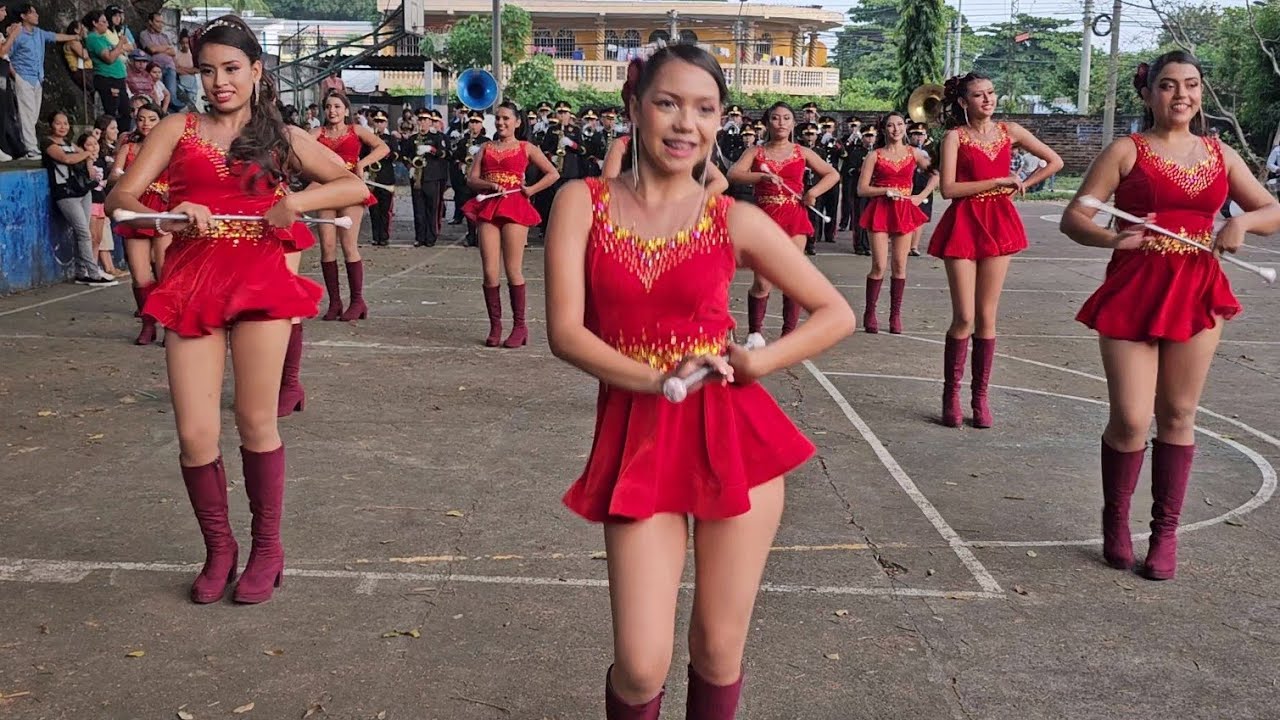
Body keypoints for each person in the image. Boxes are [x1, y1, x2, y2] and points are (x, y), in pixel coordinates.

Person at [544, 44, 855, 720]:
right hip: (638, 438)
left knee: (718, 647)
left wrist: (755, 363)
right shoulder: (582, 202)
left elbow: (836, 313)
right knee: (640, 661)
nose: (686, 123)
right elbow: (566, 333)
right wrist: (657, 382)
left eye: (705, 109)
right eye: (668, 102)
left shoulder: (733, 218)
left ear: (719, 124)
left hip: (732, 435)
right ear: (633, 107)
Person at [106, 15, 366, 606]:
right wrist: (178, 209)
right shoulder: (176, 127)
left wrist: (294, 201)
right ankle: (218, 548)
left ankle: (267, 548)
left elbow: (353, 187)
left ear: (256, 70)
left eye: (231, 69)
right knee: (195, 432)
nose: (220, 81)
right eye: (208, 71)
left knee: (255, 420)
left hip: (260, 282)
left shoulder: (281, 137)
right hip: (193, 281)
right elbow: (122, 196)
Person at [1060, 51, 1280, 580]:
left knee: (1179, 414)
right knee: (1132, 419)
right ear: (1148, 93)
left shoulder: (1219, 153)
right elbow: (1075, 216)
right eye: (1167, 85)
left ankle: (1165, 534)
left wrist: (1241, 223)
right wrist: (1115, 237)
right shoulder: (1125, 150)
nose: (1181, 95)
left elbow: (1273, 210)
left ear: (1201, 93)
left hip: (1197, 290)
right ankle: (1116, 521)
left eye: (1191, 85)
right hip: (1134, 287)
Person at [928, 72, 1063, 428]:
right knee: (964, 317)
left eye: (991, 93)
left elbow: (1055, 161)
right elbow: (948, 189)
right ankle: (951, 395)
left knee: (987, 316)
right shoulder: (954, 137)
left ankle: (980, 399)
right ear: (963, 101)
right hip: (963, 222)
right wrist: (999, 181)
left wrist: (1021, 186)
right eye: (978, 95)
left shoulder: (1010, 131)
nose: (987, 100)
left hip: (998, 221)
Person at [727, 101, 839, 341]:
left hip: (794, 216)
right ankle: (755, 334)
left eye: (786, 118)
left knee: (792, 278)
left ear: (793, 123)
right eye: (776, 118)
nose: (781, 123)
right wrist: (761, 177)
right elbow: (733, 174)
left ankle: (788, 334)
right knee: (762, 282)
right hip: (764, 219)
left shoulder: (802, 152)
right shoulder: (755, 151)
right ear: (768, 122)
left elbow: (832, 174)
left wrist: (812, 193)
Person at [462, 100, 559, 347]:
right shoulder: (485, 147)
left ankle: (520, 326)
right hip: (489, 206)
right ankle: (495, 326)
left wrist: (530, 190)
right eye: (498, 118)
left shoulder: (526, 147)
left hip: (515, 205)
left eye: (506, 118)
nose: (501, 122)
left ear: (517, 122)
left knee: (513, 268)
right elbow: (471, 178)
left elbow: (553, 173)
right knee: (489, 271)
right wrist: (488, 185)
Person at [312, 90, 390, 321]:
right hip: (325, 189)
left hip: (350, 188)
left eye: (337, 106)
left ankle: (357, 301)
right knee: (326, 246)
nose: (332, 111)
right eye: (328, 107)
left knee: (348, 244)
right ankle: (335, 302)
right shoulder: (317, 132)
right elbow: (297, 146)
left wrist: (362, 164)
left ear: (346, 110)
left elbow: (383, 148)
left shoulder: (356, 130)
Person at [857, 111, 932, 335]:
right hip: (880, 209)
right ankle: (870, 312)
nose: (896, 129)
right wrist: (884, 190)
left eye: (900, 124)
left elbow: (936, 173)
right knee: (879, 265)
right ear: (884, 129)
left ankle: (895, 315)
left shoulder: (914, 153)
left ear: (905, 128)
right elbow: (861, 189)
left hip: (904, 210)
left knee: (900, 265)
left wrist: (921, 195)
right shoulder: (875, 155)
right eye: (891, 125)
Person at [111, 101, 171, 345]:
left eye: (152, 119)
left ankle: (169, 324)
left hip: (164, 213)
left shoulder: (171, 148)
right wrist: (128, 179)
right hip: (135, 211)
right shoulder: (130, 148)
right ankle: (148, 323)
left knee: (165, 273)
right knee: (139, 276)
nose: (146, 124)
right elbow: (114, 173)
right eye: (141, 119)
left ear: (161, 121)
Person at [44, 110, 118, 286]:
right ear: (51, 125)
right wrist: (86, 154)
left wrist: (88, 156)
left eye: (66, 123)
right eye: (58, 123)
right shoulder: (48, 143)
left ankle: (81, 271)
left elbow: (86, 154)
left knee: (82, 232)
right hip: (65, 193)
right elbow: (66, 159)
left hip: (82, 191)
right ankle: (93, 272)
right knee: (84, 232)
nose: (63, 127)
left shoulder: (69, 142)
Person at [6, 4, 78, 159]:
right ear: (23, 16)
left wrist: (75, 37)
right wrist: (16, 76)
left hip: (38, 78)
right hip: (23, 77)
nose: (36, 15)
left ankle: (24, 147)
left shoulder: (39, 33)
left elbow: (55, 37)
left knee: (32, 115)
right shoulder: (17, 34)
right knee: (26, 115)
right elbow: (7, 55)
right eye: (32, 13)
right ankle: (30, 149)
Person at [83, 9, 133, 132]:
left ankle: (121, 137)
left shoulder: (103, 38)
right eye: (104, 22)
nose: (107, 24)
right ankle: (108, 139)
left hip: (118, 78)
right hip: (108, 78)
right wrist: (121, 42)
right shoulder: (94, 38)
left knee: (125, 111)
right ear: (95, 23)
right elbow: (109, 58)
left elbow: (117, 51)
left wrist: (120, 46)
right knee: (111, 113)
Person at [906, 121, 938, 257]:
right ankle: (906, 245)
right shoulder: (906, 149)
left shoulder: (932, 150)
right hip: (909, 185)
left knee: (921, 217)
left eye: (922, 134)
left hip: (924, 186)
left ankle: (914, 246)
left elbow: (936, 170)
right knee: (907, 217)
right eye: (916, 134)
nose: (919, 137)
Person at [138, 12, 181, 111]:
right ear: (150, 22)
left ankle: (168, 113)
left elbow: (173, 52)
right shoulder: (144, 34)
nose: (160, 24)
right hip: (155, 68)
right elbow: (152, 49)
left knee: (171, 93)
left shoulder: (164, 36)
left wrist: (160, 49)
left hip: (170, 66)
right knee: (157, 94)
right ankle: (169, 112)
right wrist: (166, 48)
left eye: (162, 22)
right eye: (157, 21)